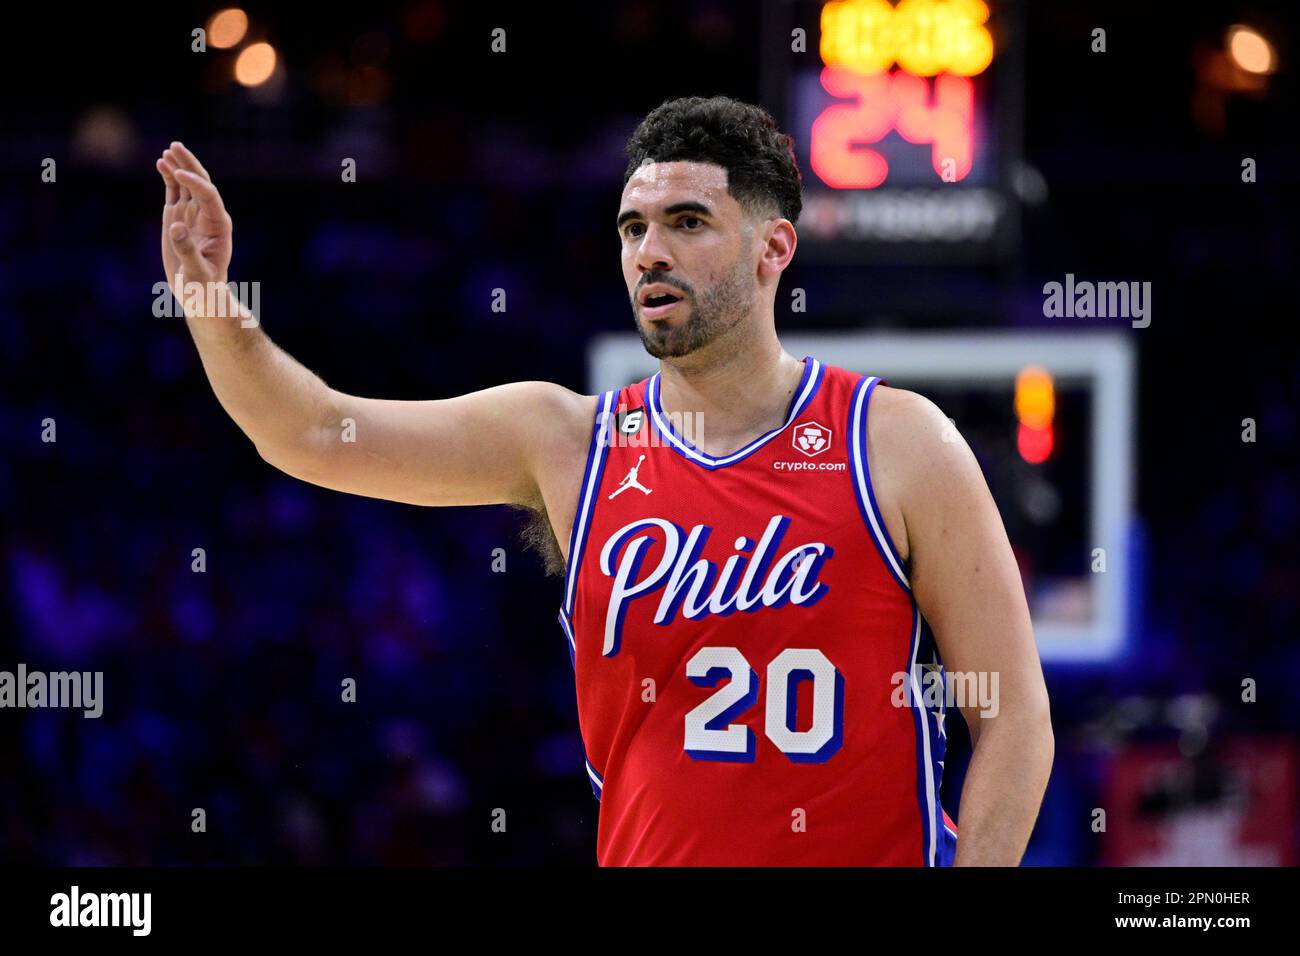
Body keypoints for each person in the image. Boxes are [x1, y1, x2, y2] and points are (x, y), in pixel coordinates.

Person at [156, 95, 1053, 866]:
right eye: (634, 227)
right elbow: (309, 431)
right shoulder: (569, 441)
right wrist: (207, 298)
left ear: (774, 247)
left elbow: (1013, 723)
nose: (649, 252)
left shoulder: (895, 442)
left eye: (687, 223)